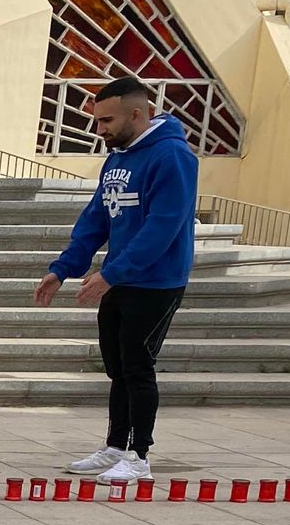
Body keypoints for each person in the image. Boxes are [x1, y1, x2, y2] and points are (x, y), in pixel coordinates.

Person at [36, 77, 198, 487]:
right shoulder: (118, 158)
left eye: (106, 120)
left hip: (156, 281)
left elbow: (163, 227)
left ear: (138, 114)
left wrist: (112, 273)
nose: (100, 129)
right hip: (121, 279)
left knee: (138, 367)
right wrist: (63, 268)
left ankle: (139, 456)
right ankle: (114, 446)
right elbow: (96, 218)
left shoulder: (173, 156)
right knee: (117, 368)